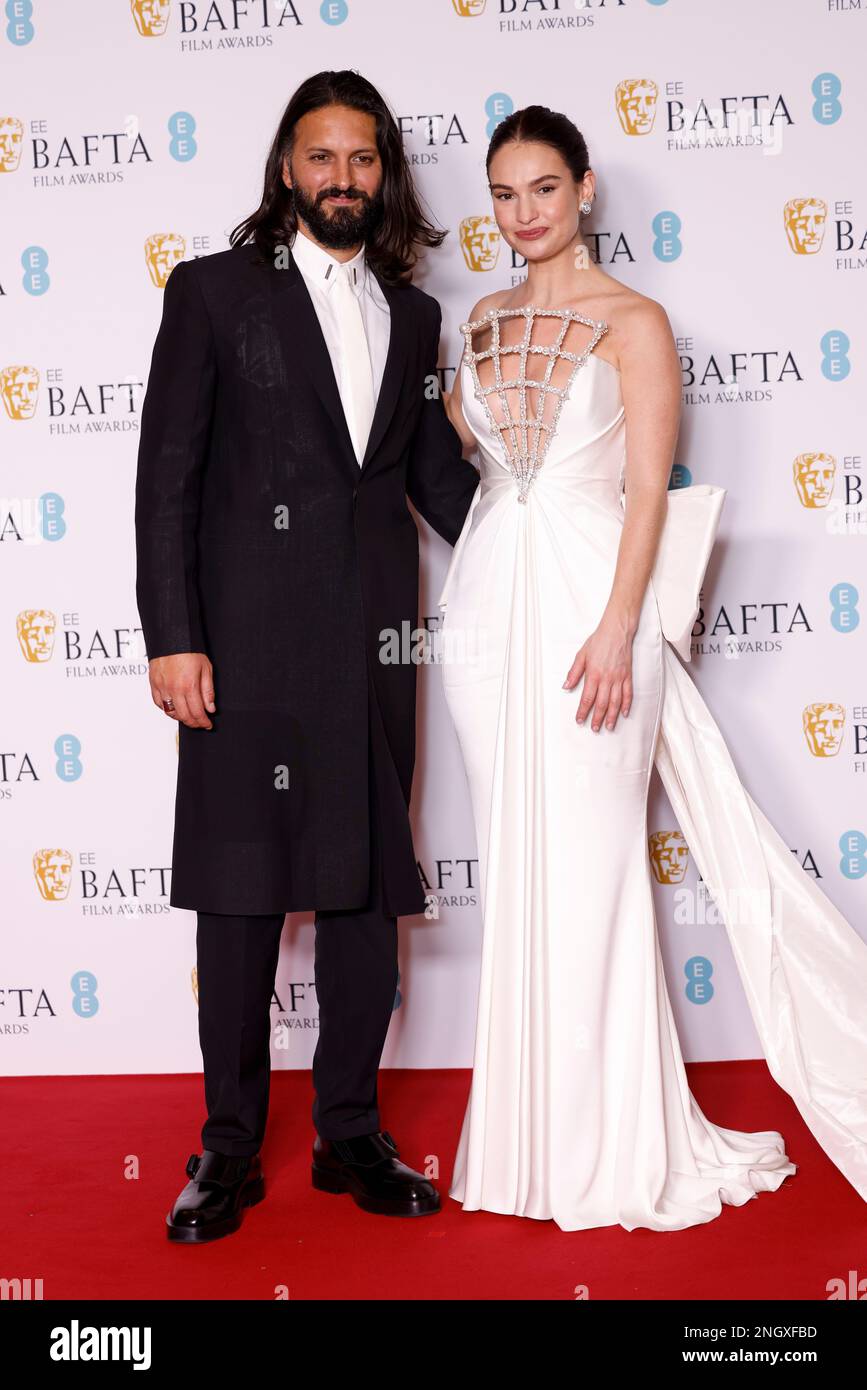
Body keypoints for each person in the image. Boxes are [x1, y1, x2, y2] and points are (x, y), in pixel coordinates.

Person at [439, 104, 867, 1233]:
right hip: (487, 613)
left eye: (542, 188)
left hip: (594, 611)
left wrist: (621, 626)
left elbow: (646, 490)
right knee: (520, 866)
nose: (521, 213)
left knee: (590, 873)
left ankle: (609, 1147)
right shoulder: (477, 324)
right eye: (502, 194)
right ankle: (523, 1151)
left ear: (585, 189)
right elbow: (485, 471)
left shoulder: (637, 321)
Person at [134, 70, 479, 1242]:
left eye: (363, 159)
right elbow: (166, 478)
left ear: (385, 175)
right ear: (288, 167)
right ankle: (226, 1149)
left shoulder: (416, 317)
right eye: (322, 157)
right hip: (242, 648)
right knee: (237, 900)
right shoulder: (214, 293)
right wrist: (173, 633)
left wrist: (553, 543)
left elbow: (436, 485)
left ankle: (348, 1133)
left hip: (376, 649)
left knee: (364, 897)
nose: (343, 179)